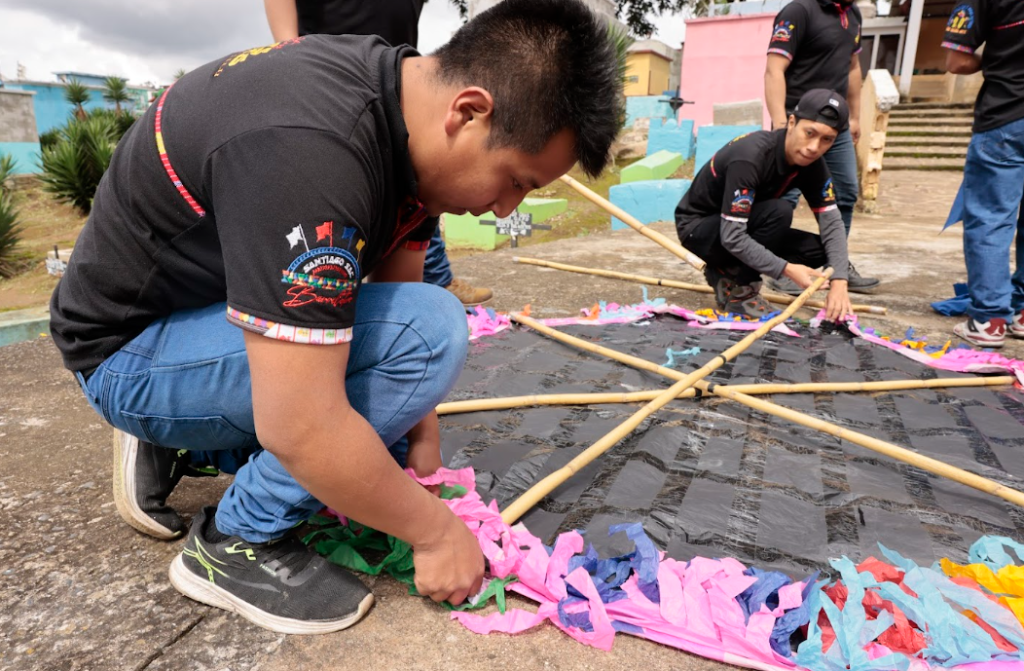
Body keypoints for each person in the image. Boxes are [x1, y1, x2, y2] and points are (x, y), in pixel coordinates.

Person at [49, 0, 621, 634]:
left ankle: (189, 431)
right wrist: (435, 535)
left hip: (203, 312)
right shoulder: (312, 149)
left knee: (398, 403)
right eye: (515, 180)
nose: (501, 208)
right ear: (469, 111)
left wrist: (419, 442)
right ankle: (236, 541)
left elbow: (396, 296)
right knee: (429, 336)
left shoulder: (406, 117)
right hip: (128, 351)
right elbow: (302, 422)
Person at [263, 0, 493, 307]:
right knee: (339, 195)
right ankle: (325, 295)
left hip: (397, 77)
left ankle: (435, 276)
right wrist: (288, 49)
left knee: (416, 185)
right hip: (332, 76)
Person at [675, 89, 853, 321]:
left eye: (826, 140)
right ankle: (740, 290)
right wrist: (786, 269)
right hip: (699, 230)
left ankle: (725, 271)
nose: (814, 147)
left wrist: (840, 281)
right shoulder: (751, 156)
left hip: (744, 225)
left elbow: (832, 224)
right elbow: (732, 236)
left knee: (820, 251)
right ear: (791, 122)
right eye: (809, 133)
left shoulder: (814, 164)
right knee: (779, 212)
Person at [763, 0, 880, 294]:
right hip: (798, 123)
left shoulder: (852, 15)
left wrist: (853, 115)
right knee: (783, 198)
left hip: (835, 128)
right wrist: (780, 125)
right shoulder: (799, 11)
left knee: (846, 193)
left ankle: (835, 266)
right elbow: (774, 70)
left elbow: (853, 68)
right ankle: (781, 269)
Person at [943, 0, 1024, 348]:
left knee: (991, 218)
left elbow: (957, 60)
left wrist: (996, 61)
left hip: (1005, 117)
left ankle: (989, 320)